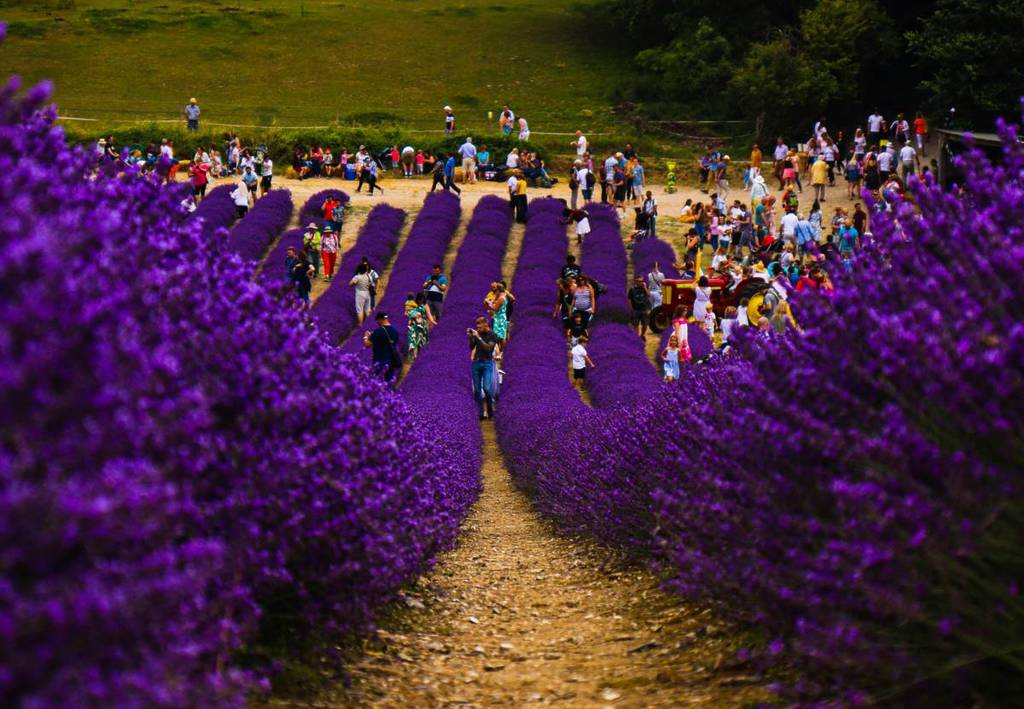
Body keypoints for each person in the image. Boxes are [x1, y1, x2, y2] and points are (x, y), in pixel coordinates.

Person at [468, 316, 499, 419]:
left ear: (486, 324)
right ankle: (481, 414)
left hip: (487, 364)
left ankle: (490, 410)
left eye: (480, 326)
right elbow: (471, 347)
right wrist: (471, 338)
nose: (478, 329)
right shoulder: (478, 333)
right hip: (476, 363)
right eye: (477, 327)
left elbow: (488, 348)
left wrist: (479, 337)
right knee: (477, 391)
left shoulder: (493, 335)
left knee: (486, 387)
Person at [364, 312, 401, 383]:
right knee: (388, 383)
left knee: (376, 383)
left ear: (380, 319)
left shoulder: (378, 331)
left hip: (379, 361)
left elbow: (367, 344)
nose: (377, 323)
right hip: (391, 362)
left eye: (377, 321)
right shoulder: (395, 331)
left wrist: (366, 336)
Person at [406, 292, 435, 362]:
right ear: (418, 299)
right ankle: (413, 356)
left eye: (422, 299)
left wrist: (433, 321)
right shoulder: (414, 305)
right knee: (413, 341)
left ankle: (419, 356)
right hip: (414, 325)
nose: (421, 301)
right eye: (420, 299)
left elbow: (429, 315)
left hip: (422, 325)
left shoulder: (425, 306)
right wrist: (410, 319)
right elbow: (409, 314)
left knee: (420, 341)